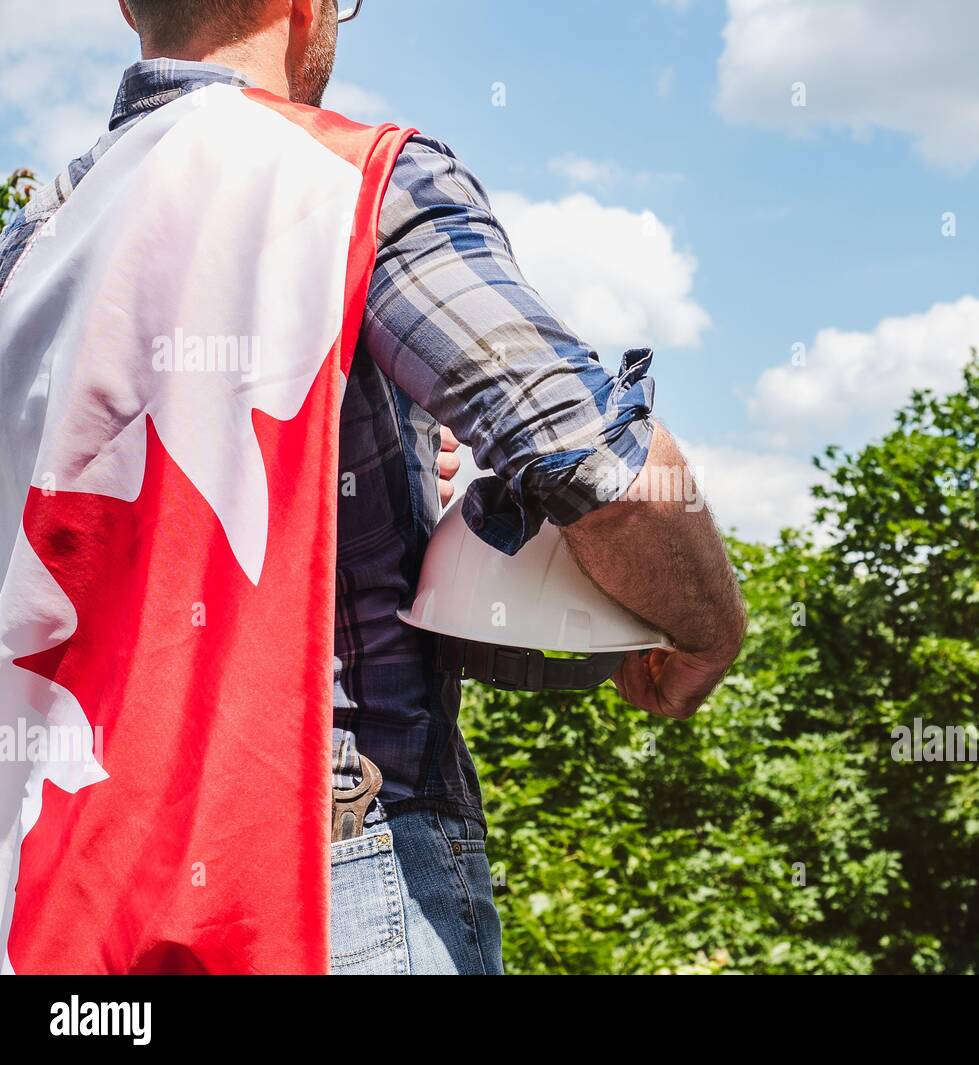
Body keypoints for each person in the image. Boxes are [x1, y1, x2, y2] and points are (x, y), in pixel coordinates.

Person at [0, 0, 744, 974]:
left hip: (61, 878)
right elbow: (585, 452)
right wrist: (707, 628)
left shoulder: (33, 245)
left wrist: (371, 461)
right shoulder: (349, 181)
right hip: (330, 856)